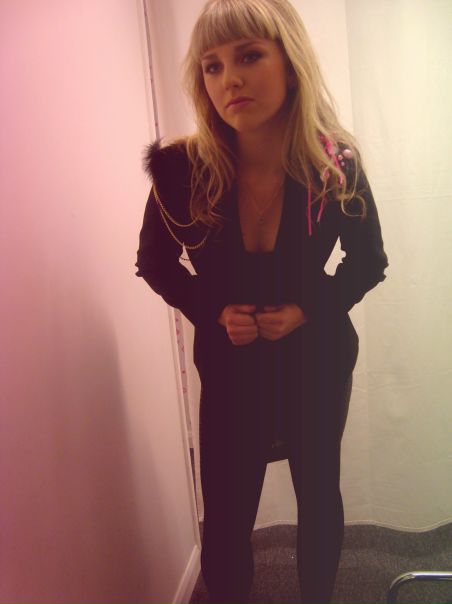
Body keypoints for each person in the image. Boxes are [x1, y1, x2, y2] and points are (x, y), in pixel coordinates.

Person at [135, 0, 388, 602]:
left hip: (317, 359)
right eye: (213, 66)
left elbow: (368, 262)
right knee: (225, 513)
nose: (230, 79)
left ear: (290, 64)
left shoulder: (333, 165)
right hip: (231, 367)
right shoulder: (181, 172)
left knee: (319, 496)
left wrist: (309, 308)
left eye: (249, 56)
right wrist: (212, 310)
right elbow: (155, 263)